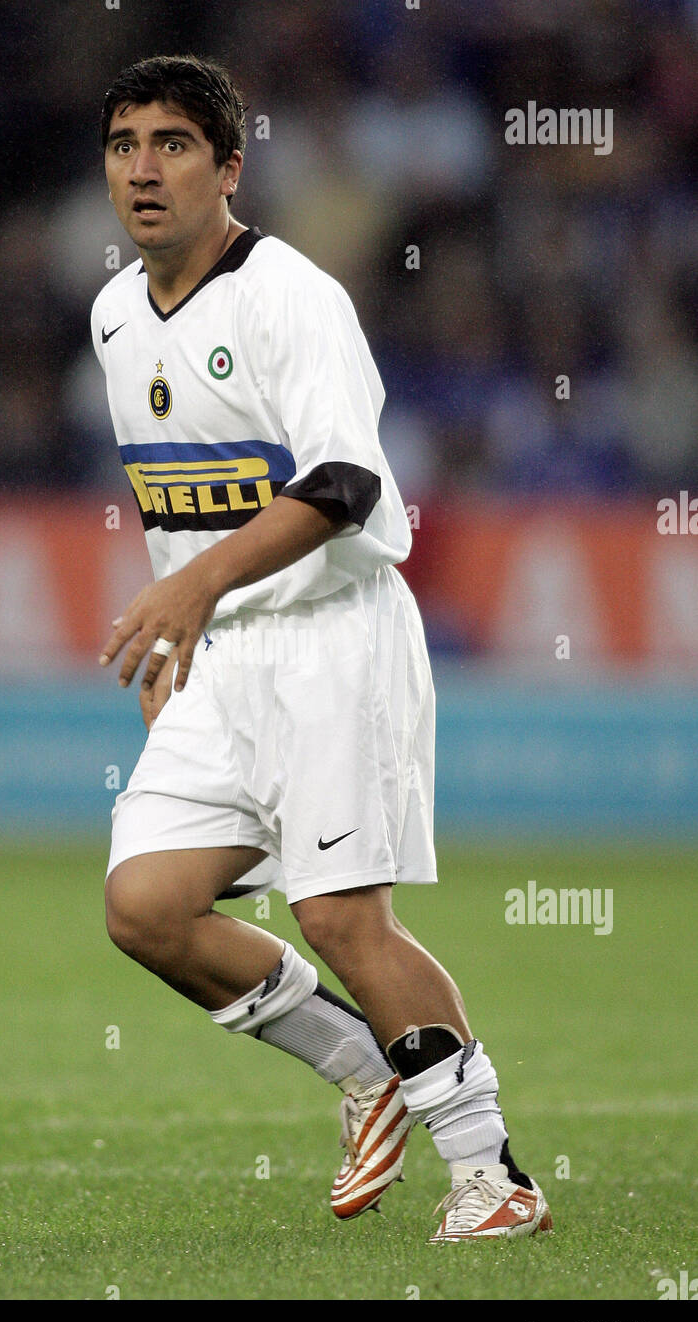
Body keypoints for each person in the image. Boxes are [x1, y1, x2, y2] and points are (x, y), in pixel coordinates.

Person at [91, 53, 551, 1241]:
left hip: (329, 637)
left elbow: (344, 483)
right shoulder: (111, 314)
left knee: (342, 916)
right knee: (145, 906)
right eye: (124, 143)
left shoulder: (286, 294)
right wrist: (172, 631)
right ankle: (364, 1069)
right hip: (223, 650)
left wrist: (193, 585)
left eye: (173, 143)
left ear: (228, 167)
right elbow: (177, 498)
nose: (143, 167)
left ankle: (491, 1174)